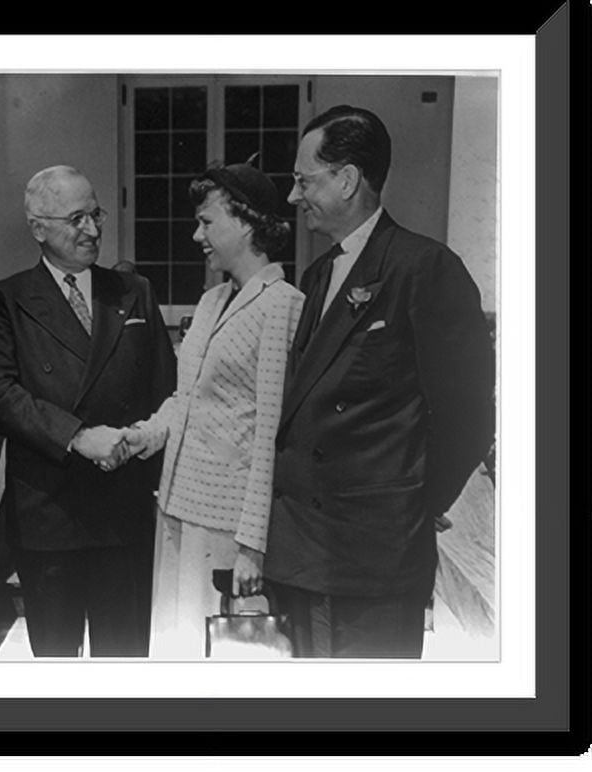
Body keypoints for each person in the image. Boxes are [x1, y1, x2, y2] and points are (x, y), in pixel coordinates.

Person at [264, 105, 495, 658]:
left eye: (303, 181)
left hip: (374, 559)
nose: (293, 197)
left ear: (347, 180)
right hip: (302, 553)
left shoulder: (424, 268)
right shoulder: (319, 274)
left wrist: (413, 504)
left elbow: (467, 415)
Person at [0, 165, 176, 657]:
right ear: (38, 227)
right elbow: (0, 395)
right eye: (76, 219)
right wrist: (78, 437)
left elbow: (165, 388)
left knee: (125, 667)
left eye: (95, 215)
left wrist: (136, 442)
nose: (91, 229)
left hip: (124, 512)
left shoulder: (133, 292)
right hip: (50, 515)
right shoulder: (6, 300)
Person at [123, 162, 305, 659]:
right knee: (177, 647)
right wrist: (143, 435)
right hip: (177, 507)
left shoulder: (283, 304)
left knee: (225, 659)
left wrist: (253, 545)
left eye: (207, 222)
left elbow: (271, 432)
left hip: (228, 524)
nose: (196, 235)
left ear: (245, 222)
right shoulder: (212, 300)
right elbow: (186, 398)